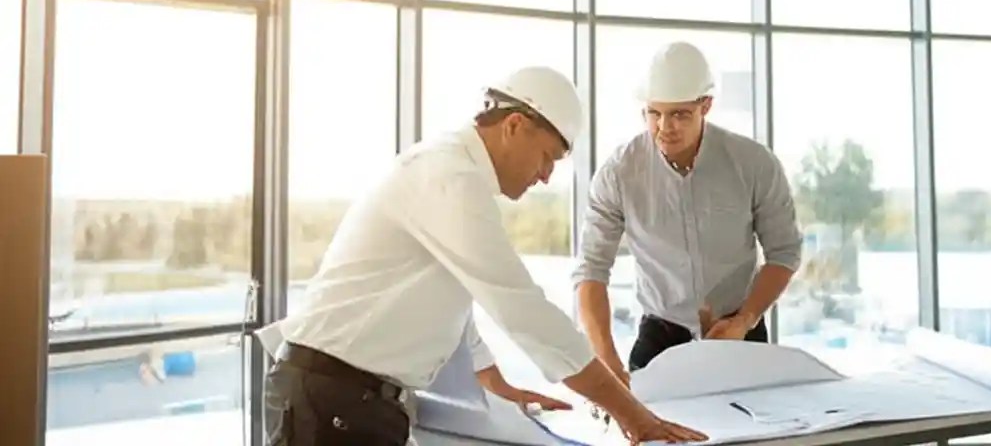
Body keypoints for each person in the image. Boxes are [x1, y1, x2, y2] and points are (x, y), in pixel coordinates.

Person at [261, 65, 707, 446]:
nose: (547, 176)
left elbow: (453, 301)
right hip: (329, 400)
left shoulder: (453, 174)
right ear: (514, 125)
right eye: (547, 157)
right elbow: (522, 309)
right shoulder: (448, 178)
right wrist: (633, 416)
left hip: (346, 399)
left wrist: (495, 385)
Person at [573, 42, 803, 383]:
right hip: (660, 338)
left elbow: (784, 252)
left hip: (741, 331)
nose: (665, 127)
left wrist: (744, 320)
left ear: (705, 105)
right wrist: (607, 361)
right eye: (654, 113)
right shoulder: (619, 172)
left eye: (680, 114)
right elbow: (591, 270)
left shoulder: (754, 164)